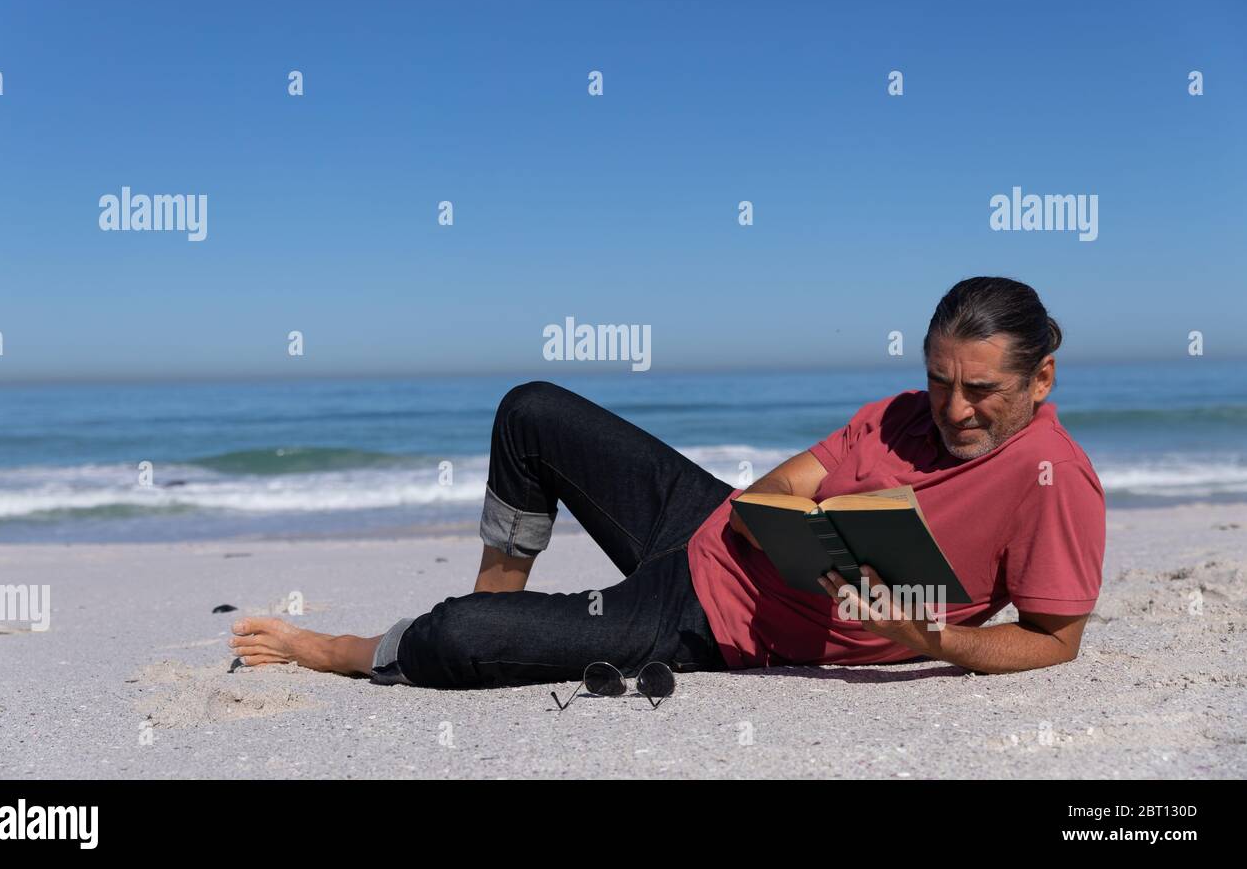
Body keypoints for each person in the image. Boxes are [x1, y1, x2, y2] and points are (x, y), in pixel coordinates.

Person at [228, 276, 1106, 688]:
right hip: (708, 527)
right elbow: (777, 486)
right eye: (939, 381)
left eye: (980, 390)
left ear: (1043, 379)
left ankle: (361, 648)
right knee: (530, 408)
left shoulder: (1051, 480)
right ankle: (506, 608)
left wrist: (936, 641)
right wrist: (783, 521)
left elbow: (1053, 640)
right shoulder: (897, 412)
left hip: (714, 624)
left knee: (455, 638)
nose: (953, 409)